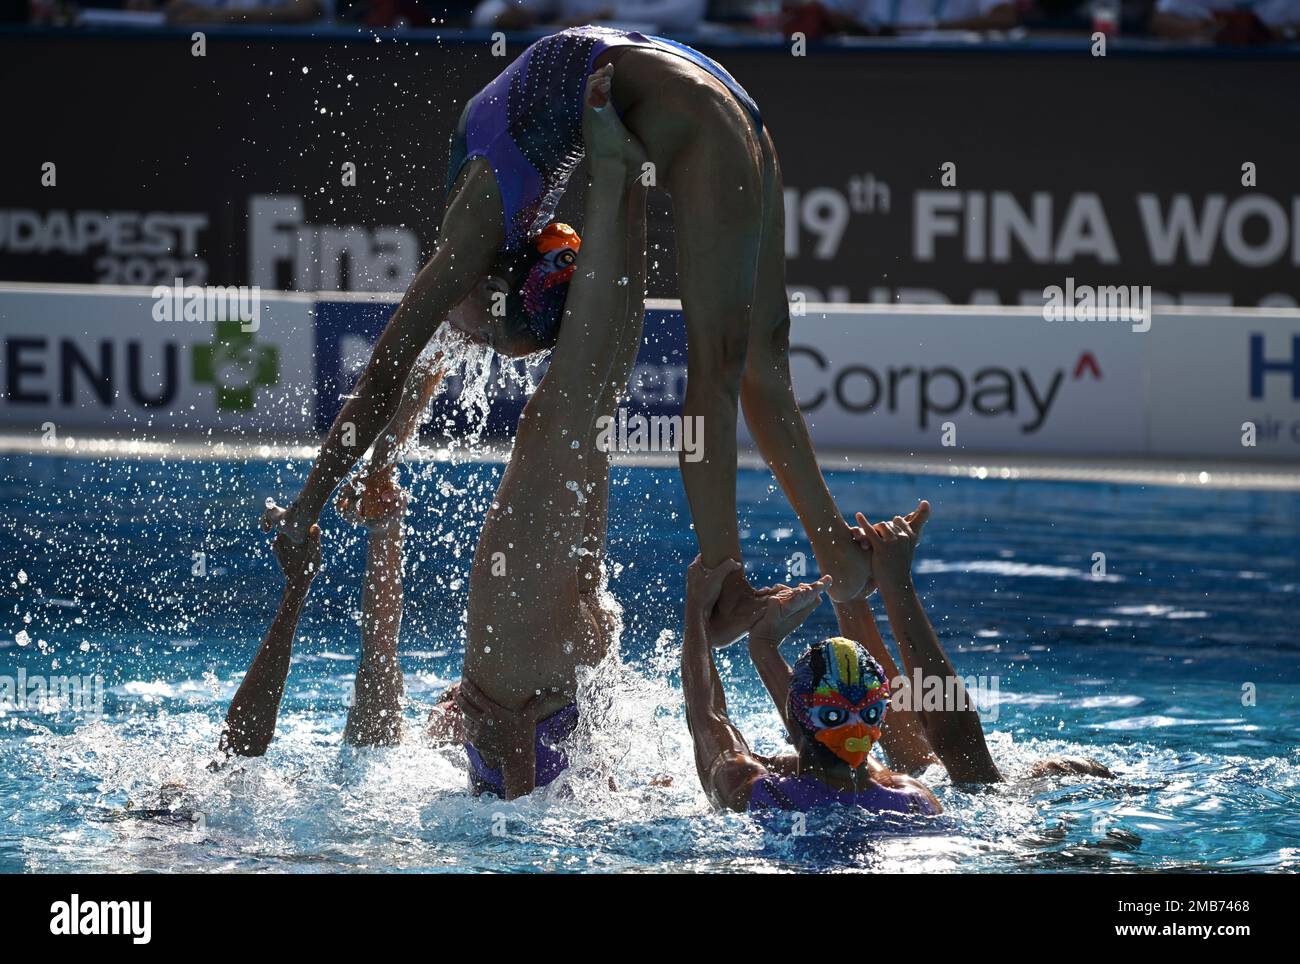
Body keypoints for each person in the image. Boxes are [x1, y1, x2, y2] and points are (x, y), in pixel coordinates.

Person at [263, 25, 879, 661]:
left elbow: (386, 371)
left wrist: (306, 504)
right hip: (723, 95)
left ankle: (728, 586)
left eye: (485, 340)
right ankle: (841, 554)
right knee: (764, 355)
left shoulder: (476, 235)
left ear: (497, 293)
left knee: (719, 365)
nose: (462, 337)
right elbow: (420, 367)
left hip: (703, 112)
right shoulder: (492, 238)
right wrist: (384, 459)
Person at [682, 501, 1112, 813]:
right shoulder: (912, 800)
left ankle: (850, 588)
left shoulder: (755, 792)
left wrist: (699, 611)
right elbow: (890, 742)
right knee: (956, 768)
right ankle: (852, 589)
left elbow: (710, 719)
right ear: (881, 719)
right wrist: (886, 584)